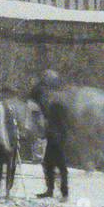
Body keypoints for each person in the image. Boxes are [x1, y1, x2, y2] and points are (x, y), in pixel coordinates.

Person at [31, 71, 70, 200]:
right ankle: (52, 190)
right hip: (56, 134)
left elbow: (57, 119)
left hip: (56, 135)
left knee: (59, 164)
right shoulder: (59, 97)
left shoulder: (56, 100)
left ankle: (62, 192)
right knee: (49, 163)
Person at [0, 86, 22, 199]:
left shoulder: (12, 108)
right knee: (0, 167)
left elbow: (15, 125)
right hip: (1, 142)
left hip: (12, 142)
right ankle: (0, 191)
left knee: (11, 167)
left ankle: (8, 191)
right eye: (11, 95)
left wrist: (17, 139)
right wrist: (4, 143)